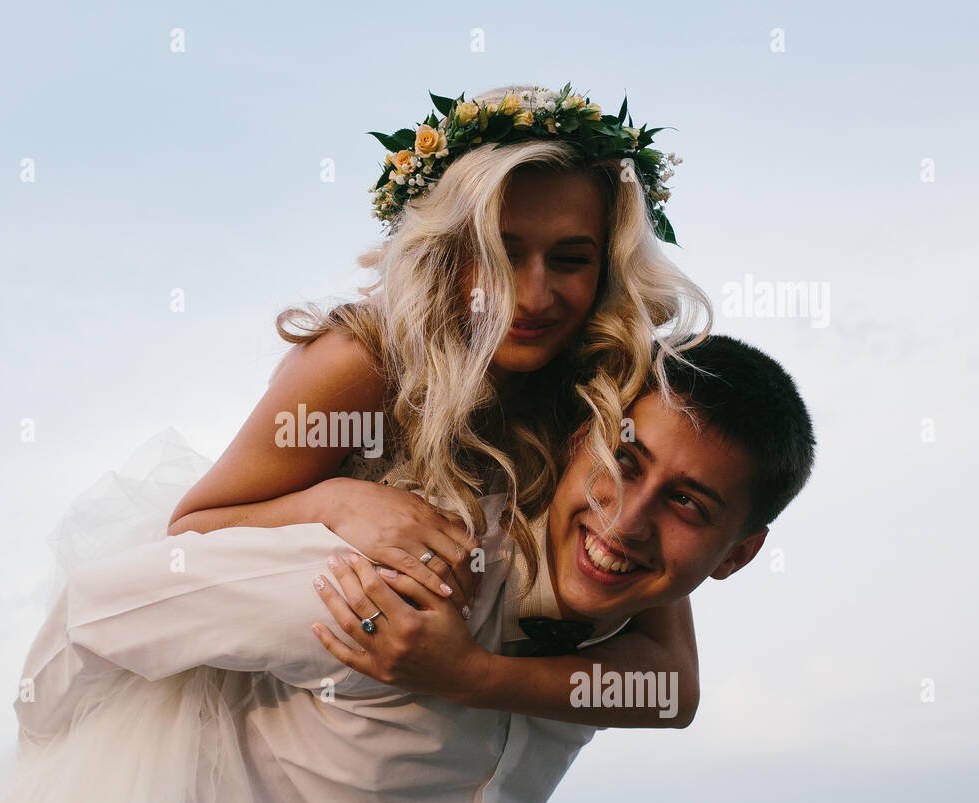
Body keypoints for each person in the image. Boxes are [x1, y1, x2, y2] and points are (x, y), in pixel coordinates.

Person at [0, 335, 815, 803]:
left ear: (738, 555)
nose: (627, 519)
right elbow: (94, 614)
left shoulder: (614, 644)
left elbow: (667, 696)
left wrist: (469, 676)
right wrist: (67, 775)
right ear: (581, 437)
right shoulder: (409, 574)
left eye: (689, 506)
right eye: (622, 463)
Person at [165, 83, 711, 709]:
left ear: (607, 268)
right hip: (273, 743)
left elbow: (669, 685)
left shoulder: (612, 391)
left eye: (569, 259)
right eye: (500, 254)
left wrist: (471, 675)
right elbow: (187, 538)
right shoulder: (362, 365)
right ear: (446, 252)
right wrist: (333, 502)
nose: (532, 297)